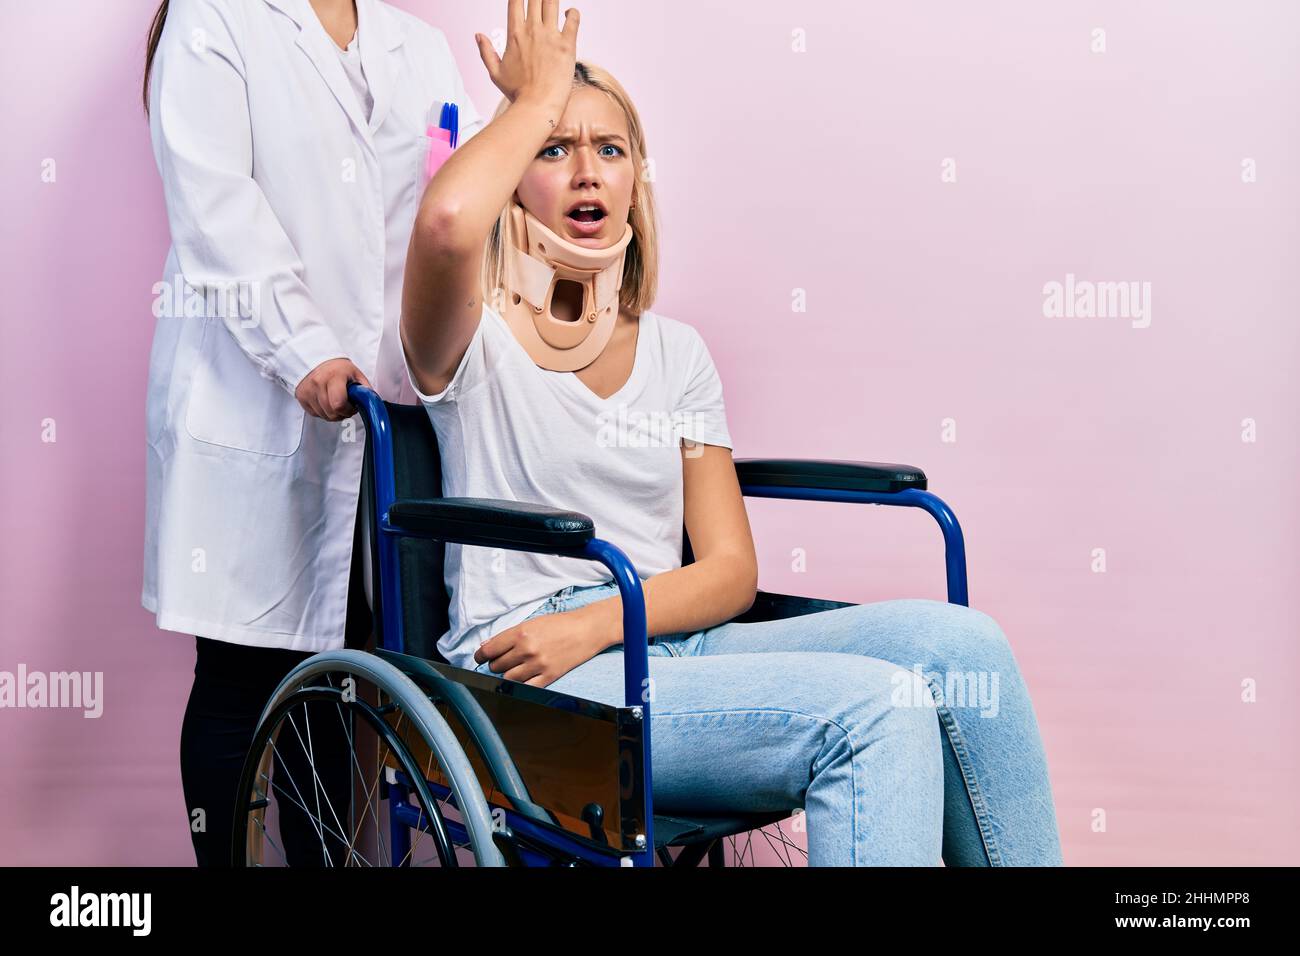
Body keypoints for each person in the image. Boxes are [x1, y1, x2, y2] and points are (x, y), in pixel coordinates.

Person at [400, 0, 1063, 866]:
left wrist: (602, 620)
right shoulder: (468, 339)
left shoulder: (677, 352)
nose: (587, 173)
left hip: (662, 638)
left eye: (611, 150)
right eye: (552, 150)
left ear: (638, 178)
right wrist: (529, 101)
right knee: (878, 710)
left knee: (962, 646)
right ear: (513, 173)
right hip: (530, 666)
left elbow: (729, 571)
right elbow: (448, 226)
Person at [141, 0, 484, 865]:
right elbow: (216, 209)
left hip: (388, 427)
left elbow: (460, 214)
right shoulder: (213, 18)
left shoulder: (422, 49)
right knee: (240, 679)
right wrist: (304, 351)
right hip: (253, 403)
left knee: (343, 684)